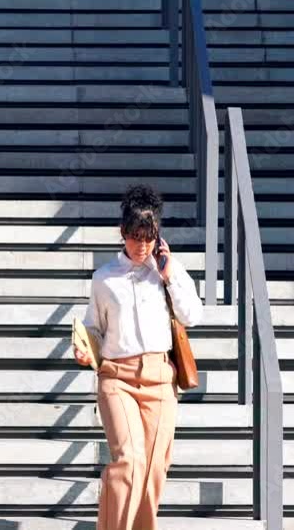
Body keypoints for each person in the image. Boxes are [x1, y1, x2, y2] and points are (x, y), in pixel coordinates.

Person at [74, 184, 206, 530]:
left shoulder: (167, 271)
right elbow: (94, 327)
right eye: (135, 236)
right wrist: (83, 347)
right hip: (117, 378)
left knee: (154, 469)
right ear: (122, 233)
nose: (141, 245)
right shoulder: (104, 278)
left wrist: (169, 275)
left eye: (148, 237)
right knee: (129, 461)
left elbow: (193, 315)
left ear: (157, 235)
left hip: (160, 379)